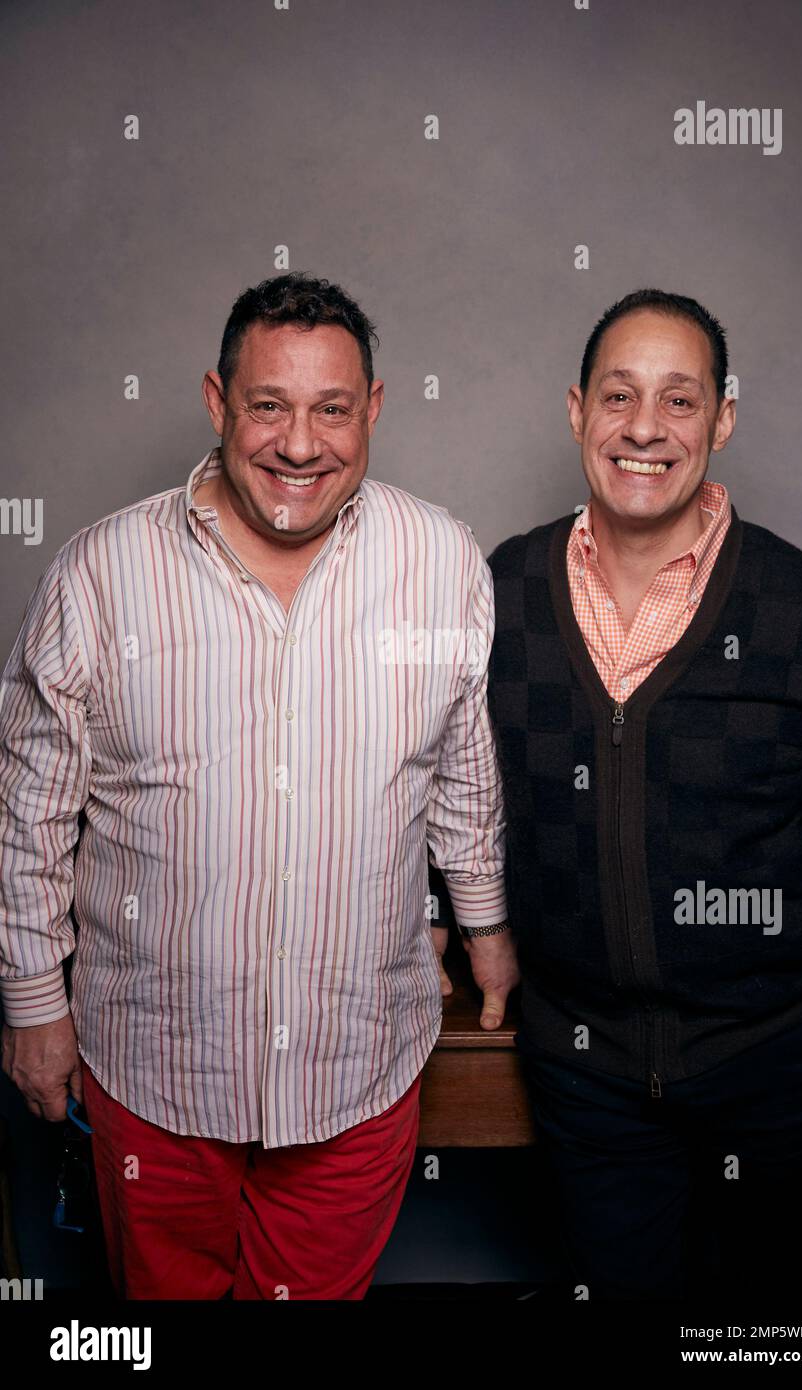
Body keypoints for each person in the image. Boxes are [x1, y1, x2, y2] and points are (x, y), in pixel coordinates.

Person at [0, 272, 519, 1300]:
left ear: (370, 408)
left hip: (357, 1059)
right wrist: (30, 1004)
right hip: (153, 1065)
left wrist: (486, 924)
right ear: (216, 402)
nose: (298, 443)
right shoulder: (100, 574)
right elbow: (31, 813)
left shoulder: (441, 559)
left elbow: (461, 766)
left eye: (331, 408)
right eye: (268, 406)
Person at [485, 288, 802, 1302]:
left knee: (769, 1330)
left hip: (778, 1062)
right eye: (617, 396)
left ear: (722, 418)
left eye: (678, 400)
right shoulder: (499, 597)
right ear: (575, 412)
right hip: (585, 1073)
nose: (644, 428)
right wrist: (451, 921)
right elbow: (443, 786)